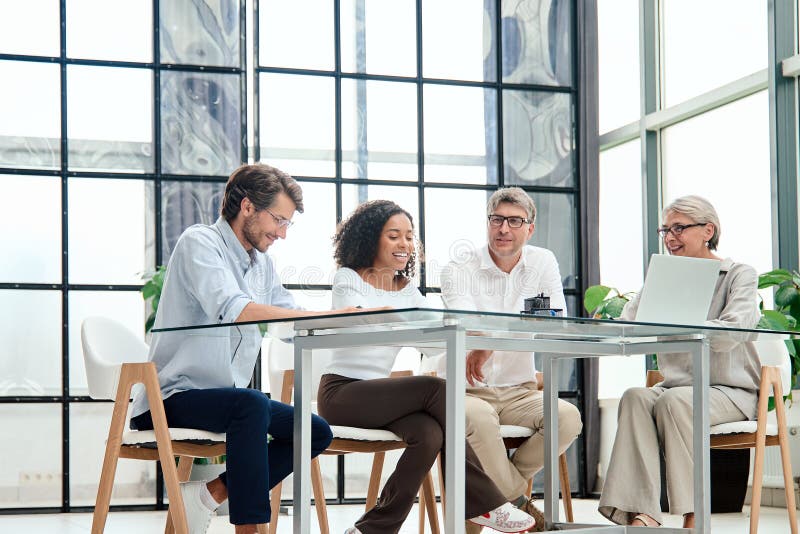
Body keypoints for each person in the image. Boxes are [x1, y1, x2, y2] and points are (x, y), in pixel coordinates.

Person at [129, 164, 361, 534]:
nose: (282, 234)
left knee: (314, 431)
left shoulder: (261, 265)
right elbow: (233, 309)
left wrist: (350, 319)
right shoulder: (199, 242)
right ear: (248, 207)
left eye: (288, 225)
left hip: (227, 402)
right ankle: (250, 530)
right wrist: (324, 315)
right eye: (279, 221)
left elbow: (291, 319)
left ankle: (210, 494)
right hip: (172, 396)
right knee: (251, 403)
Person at [316, 200, 537, 534]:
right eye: (394, 236)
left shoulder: (408, 290)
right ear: (370, 239)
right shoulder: (348, 278)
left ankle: (371, 529)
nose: (405, 244)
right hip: (342, 395)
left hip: (379, 400)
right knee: (437, 389)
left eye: (409, 236)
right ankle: (486, 504)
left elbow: (433, 340)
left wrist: (474, 333)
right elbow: (359, 318)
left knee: (429, 433)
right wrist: (412, 318)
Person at [598, 195, 761, 528]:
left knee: (674, 400)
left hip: (731, 392)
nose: (670, 237)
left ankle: (693, 513)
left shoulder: (739, 274)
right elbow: (632, 323)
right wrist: (651, 292)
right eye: (665, 230)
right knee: (634, 397)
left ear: (707, 230)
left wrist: (680, 322)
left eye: (678, 228)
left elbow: (734, 331)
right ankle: (644, 512)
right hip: (677, 387)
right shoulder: (665, 274)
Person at [434, 186, 583, 533]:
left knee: (567, 417)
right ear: (487, 223)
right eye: (497, 219)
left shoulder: (542, 261)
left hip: (519, 390)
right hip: (465, 389)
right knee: (480, 420)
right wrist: (513, 323)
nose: (504, 229)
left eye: (515, 221)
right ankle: (517, 501)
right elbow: (465, 321)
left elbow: (553, 316)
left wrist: (492, 340)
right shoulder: (459, 267)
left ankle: (497, 497)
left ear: (530, 228)